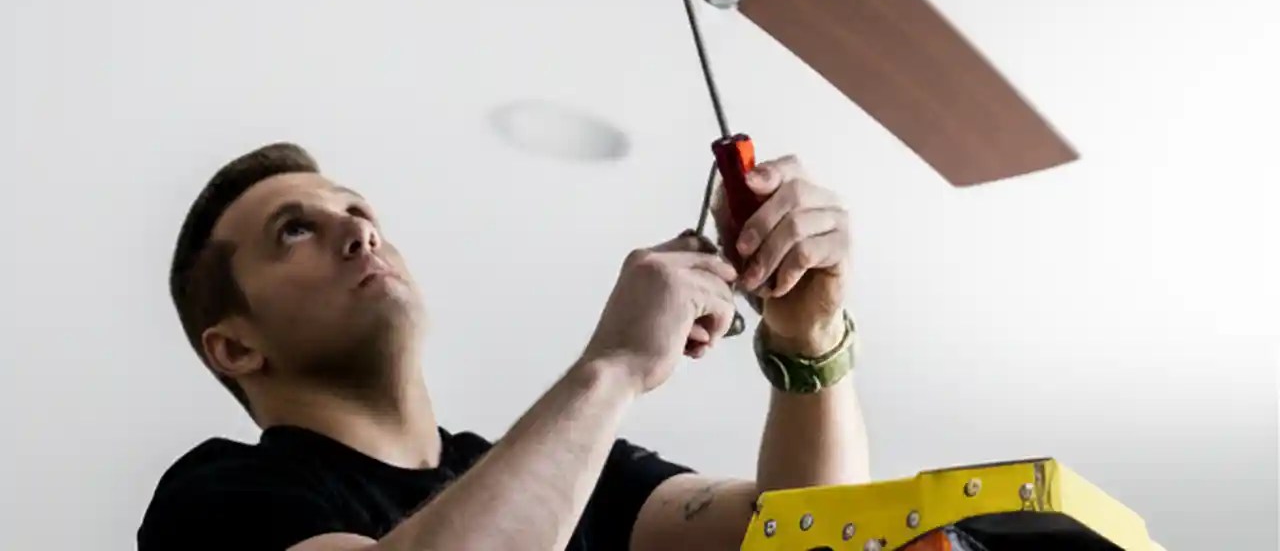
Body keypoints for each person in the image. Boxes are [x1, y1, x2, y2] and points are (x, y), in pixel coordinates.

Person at [137, 142, 868, 551]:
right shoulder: (215, 500)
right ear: (233, 347)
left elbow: (815, 537)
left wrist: (808, 337)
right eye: (294, 230)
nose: (359, 232)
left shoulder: (582, 476)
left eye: (358, 211)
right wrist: (610, 368)